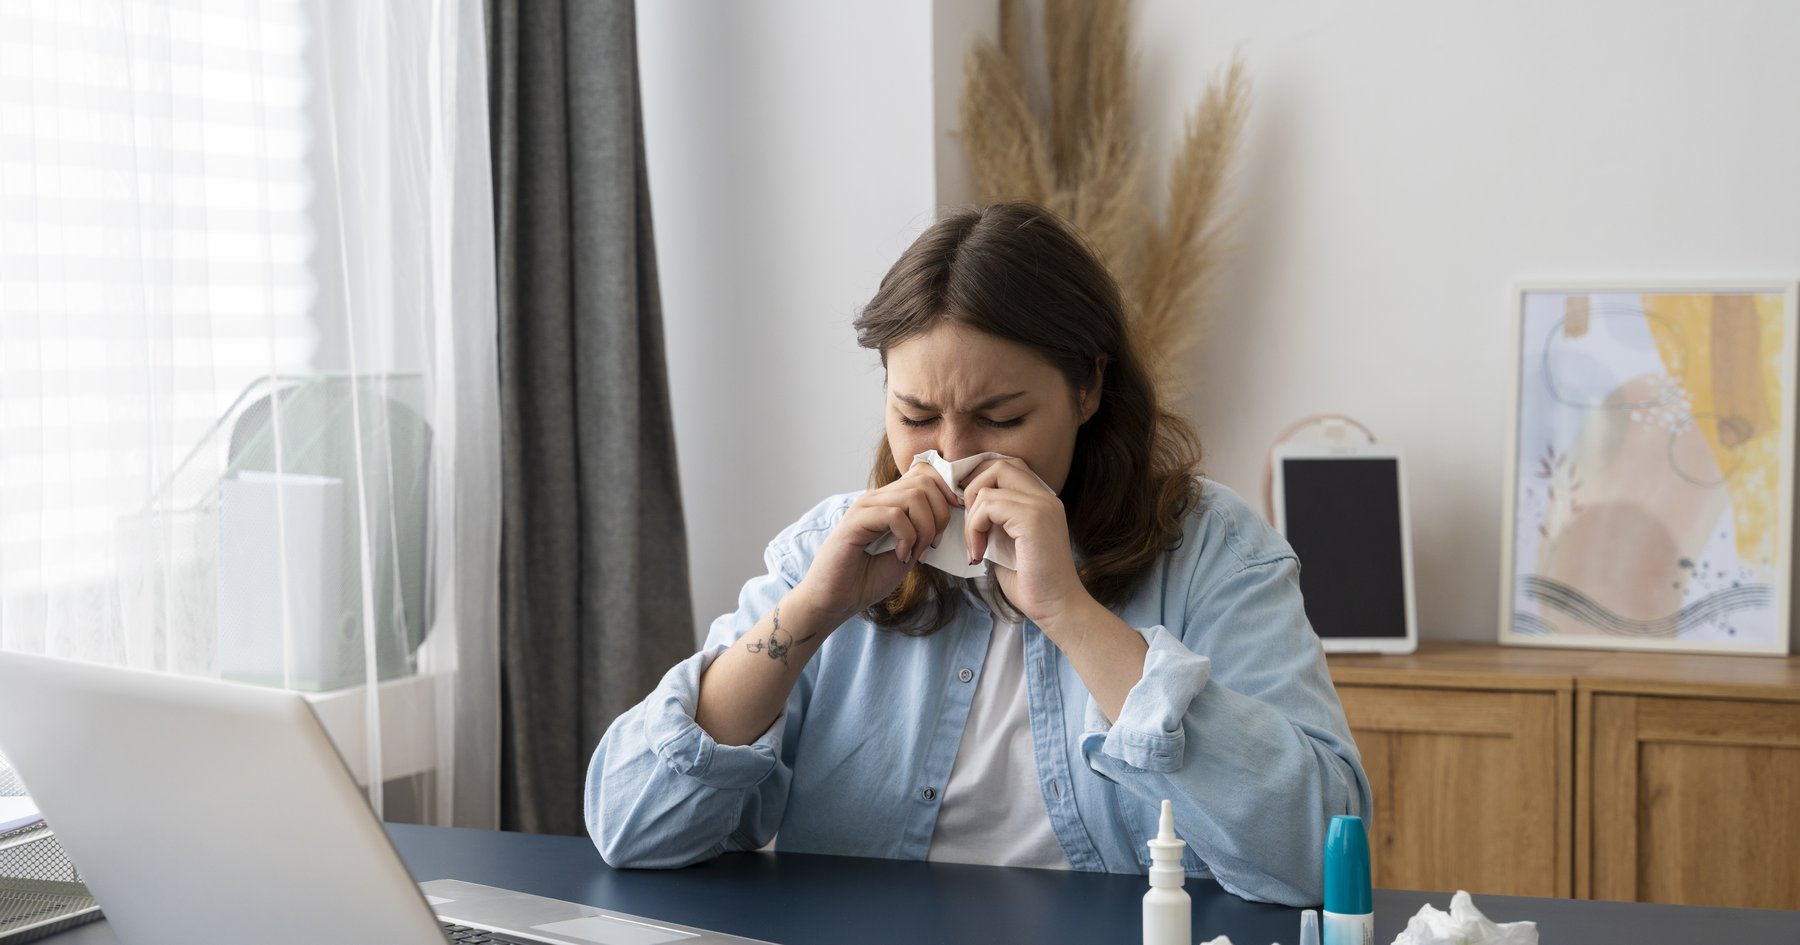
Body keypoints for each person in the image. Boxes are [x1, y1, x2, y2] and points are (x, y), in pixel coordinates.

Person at [584, 201, 1371, 906]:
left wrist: (1068, 609)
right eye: (915, 415)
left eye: (1000, 416)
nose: (952, 459)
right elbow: (631, 826)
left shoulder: (1214, 551)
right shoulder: (830, 547)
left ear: (1088, 390)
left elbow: (1316, 855)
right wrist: (810, 612)